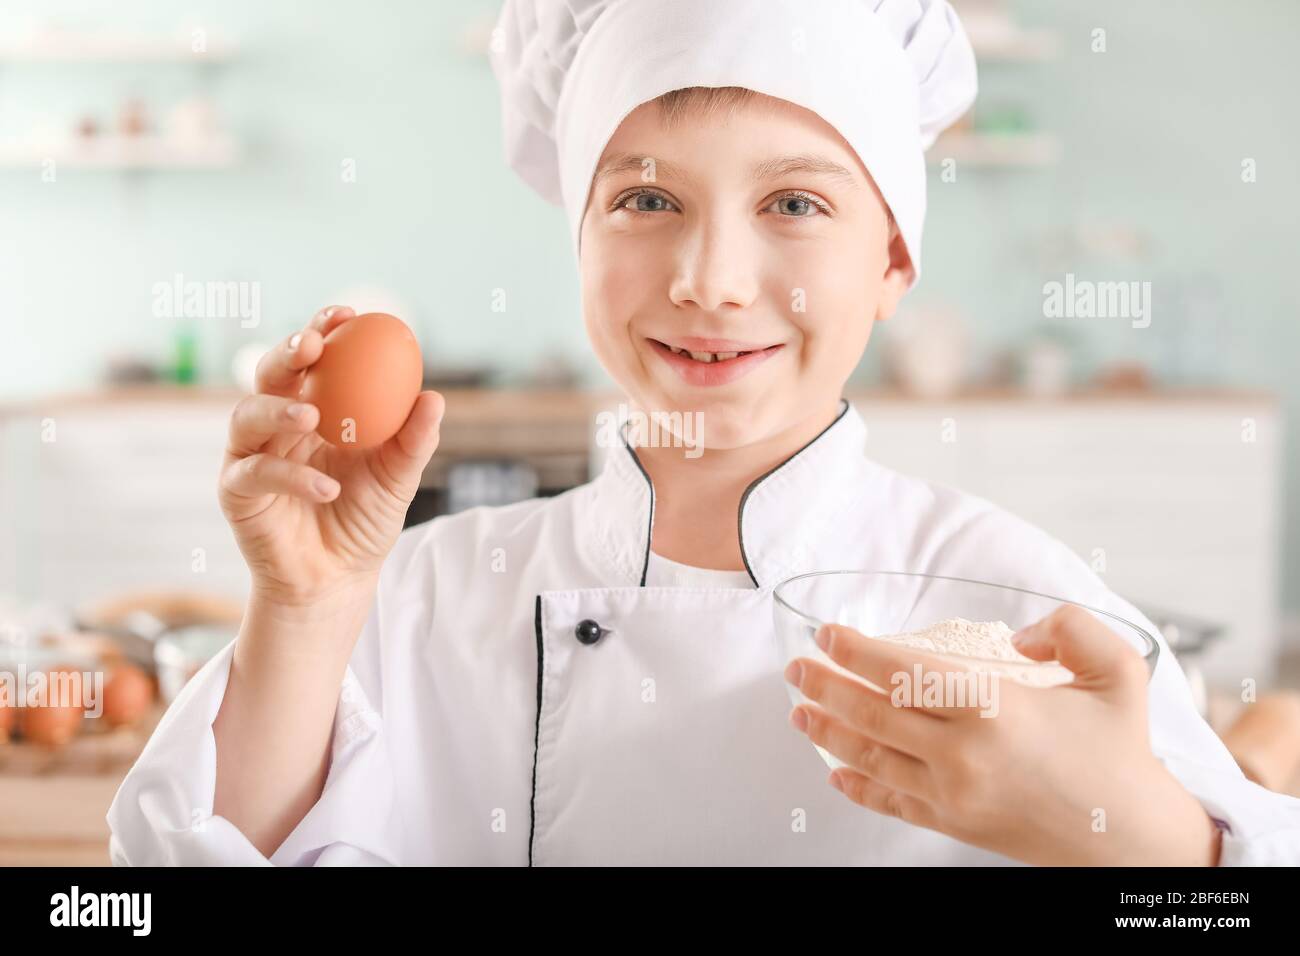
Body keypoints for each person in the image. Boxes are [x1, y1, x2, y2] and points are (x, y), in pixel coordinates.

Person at [107, 0, 1300, 865]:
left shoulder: (1019, 605)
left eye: (793, 201)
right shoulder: (415, 595)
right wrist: (306, 607)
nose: (710, 278)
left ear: (892, 258)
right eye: (643, 199)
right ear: (577, 236)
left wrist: (1146, 839)